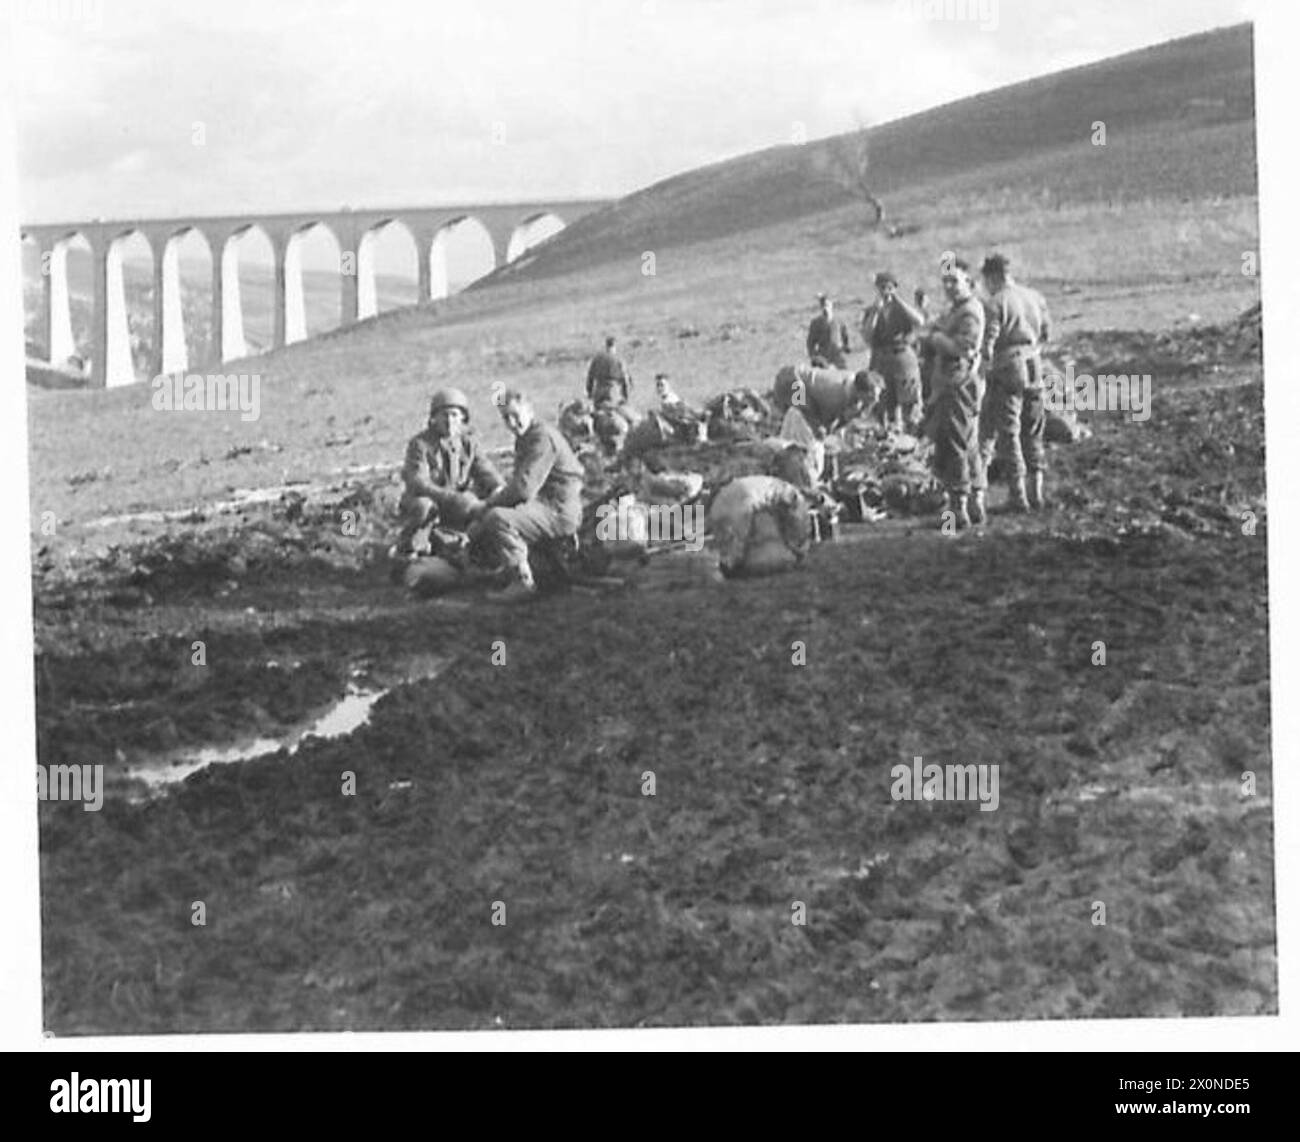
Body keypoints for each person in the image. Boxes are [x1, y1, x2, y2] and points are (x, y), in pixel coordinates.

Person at [478, 389, 586, 600]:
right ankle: (517, 566)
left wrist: (488, 505)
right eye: (506, 418)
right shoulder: (527, 437)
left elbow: (523, 490)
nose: (512, 422)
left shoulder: (541, 438)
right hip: (547, 505)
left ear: (529, 410)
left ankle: (522, 581)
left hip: (558, 510)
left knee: (498, 519)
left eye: (515, 415)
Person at [978, 254, 1052, 512]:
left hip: (1008, 366)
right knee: (1033, 431)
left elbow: (988, 343)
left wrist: (984, 366)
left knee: (1009, 432)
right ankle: (1037, 492)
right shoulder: (1034, 297)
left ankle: (1018, 496)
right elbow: (1046, 333)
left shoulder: (994, 303)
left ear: (992, 277)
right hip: (1035, 363)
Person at [394, 387, 503, 558]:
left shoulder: (469, 443)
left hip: (459, 504)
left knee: (490, 508)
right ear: (434, 418)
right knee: (424, 506)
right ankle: (409, 548)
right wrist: (450, 498)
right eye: (444, 415)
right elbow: (418, 482)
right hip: (431, 502)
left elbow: (485, 470)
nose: (449, 420)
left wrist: (499, 488)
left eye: (454, 415)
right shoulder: (420, 445)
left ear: (463, 418)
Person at [920, 260, 986, 531]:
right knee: (967, 443)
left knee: (955, 444)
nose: (948, 287)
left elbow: (963, 348)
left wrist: (935, 339)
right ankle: (974, 502)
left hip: (956, 384)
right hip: (952, 382)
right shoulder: (957, 310)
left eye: (954, 281)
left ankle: (958, 508)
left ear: (968, 283)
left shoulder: (969, 312)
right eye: (945, 282)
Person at [861, 272, 926, 432]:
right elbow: (867, 336)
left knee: (909, 406)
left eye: (889, 288)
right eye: (882, 288)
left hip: (903, 358)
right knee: (882, 405)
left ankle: (911, 436)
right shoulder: (872, 311)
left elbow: (919, 321)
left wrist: (898, 301)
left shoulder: (903, 309)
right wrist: (876, 312)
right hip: (881, 360)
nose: (886, 292)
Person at [585, 336, 634, 454]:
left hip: (599, 389)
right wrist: (626, 397)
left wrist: (589, 392)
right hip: (613, 390)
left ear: (606, 345)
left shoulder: (597, 359)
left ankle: (601, 441)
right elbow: (625, 380)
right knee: (614, 413)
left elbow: (590, 377)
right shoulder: (618, 360)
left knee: (599, 416)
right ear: (614, 346)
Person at [806, 293, 851, 369]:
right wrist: (814, 357)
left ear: (831, 305)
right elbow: (810, 343)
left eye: (827, 305)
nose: (825, 308)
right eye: (823, 305)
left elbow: (845, 338)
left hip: (837, 357)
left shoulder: (839, 322)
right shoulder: (816, 323)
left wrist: (846, 347)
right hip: (824, 357)